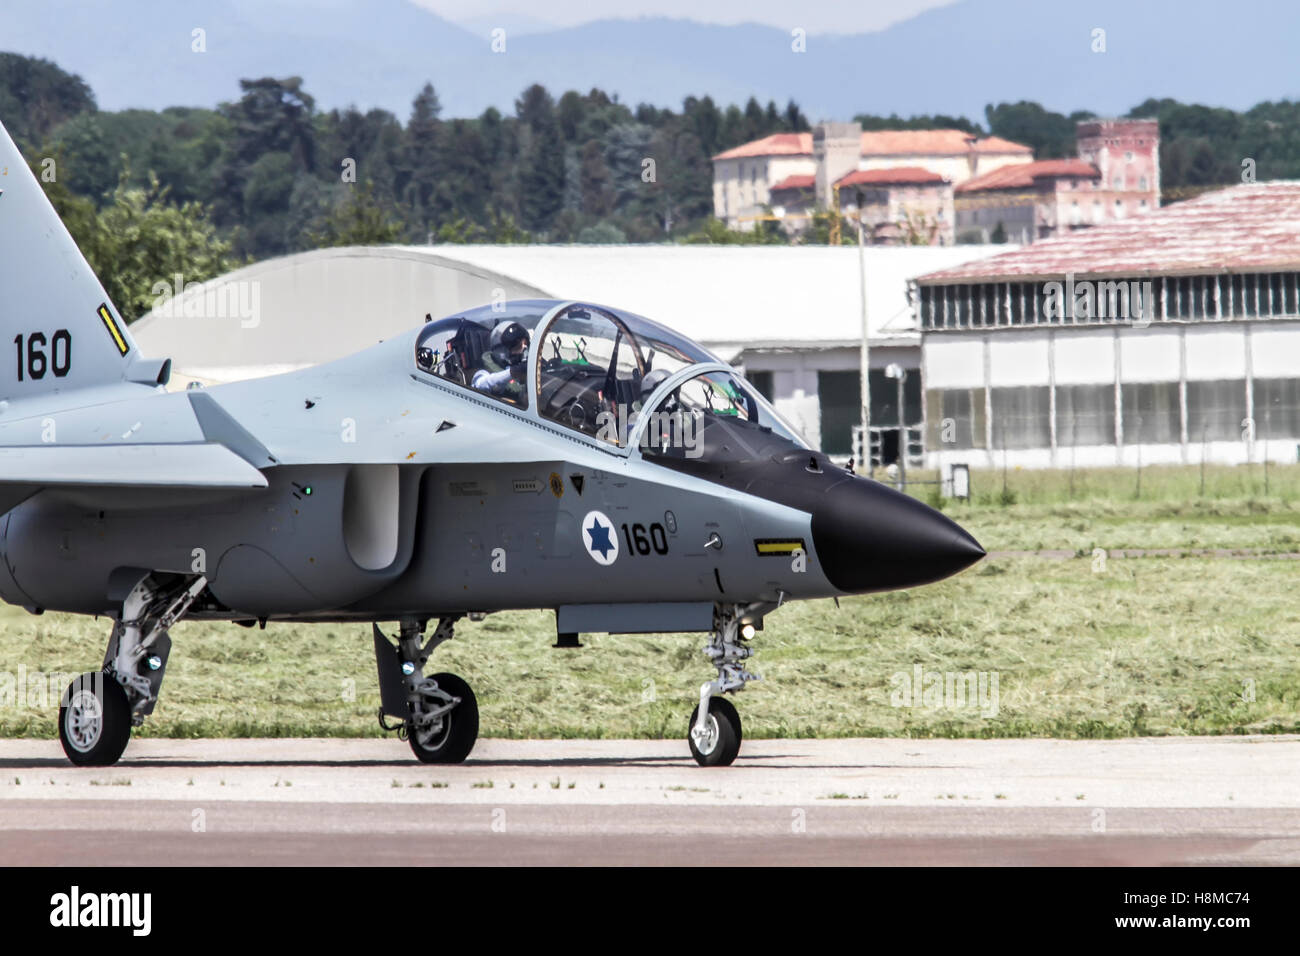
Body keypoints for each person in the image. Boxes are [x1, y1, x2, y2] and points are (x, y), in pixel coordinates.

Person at [473, 321, 530, 405]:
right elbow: (480, 385)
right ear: (502, 351)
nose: (524, 347)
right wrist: (512, 372)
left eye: (525, 343)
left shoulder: (525, 366)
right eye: (518, 345)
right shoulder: (483, 372)